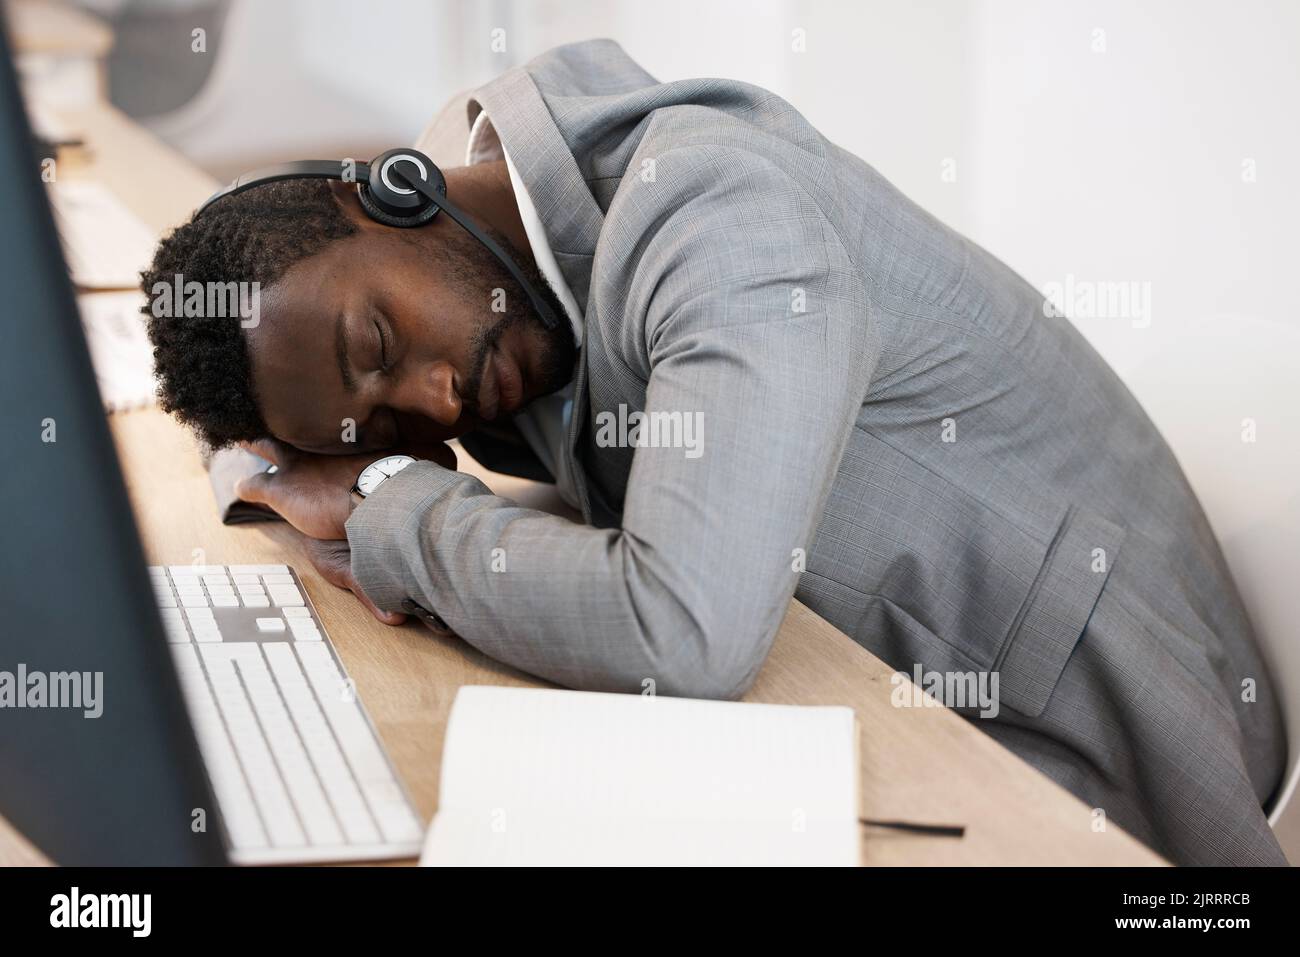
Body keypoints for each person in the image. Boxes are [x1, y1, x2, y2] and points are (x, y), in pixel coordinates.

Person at [140, 39, 1286, 865]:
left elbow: (679, 635)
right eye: (381, 421)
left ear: (391, 192)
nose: (433, 394)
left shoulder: (723, 224)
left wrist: (388, 498)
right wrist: (270, 461)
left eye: (378, 340)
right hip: (867, 672)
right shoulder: (483, 217)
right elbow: (277, 408)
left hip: (1088, 769)